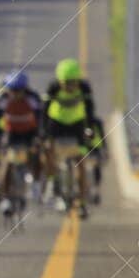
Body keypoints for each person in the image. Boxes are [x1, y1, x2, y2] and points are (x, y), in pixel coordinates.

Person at [45, 57, 97, 216]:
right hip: (57, 122)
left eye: (72, 83)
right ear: (59, 81)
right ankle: (52, 181)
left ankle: (81, 201)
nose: (69, 87)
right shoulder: (53, 88)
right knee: (48, 149)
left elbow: (90, 111)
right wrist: (43, 134)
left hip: (76, 124)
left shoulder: (84, 88)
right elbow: (43, 111)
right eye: (65, 83)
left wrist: (90, 129)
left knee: (81, 161)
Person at [0, 70, 45, 213]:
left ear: (24, 89)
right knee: (6, 160)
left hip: (29, 133)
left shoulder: (33, 99)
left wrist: (39, 137)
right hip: (11, 133)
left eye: (18, 91)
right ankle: (5, 195)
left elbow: (41, 120)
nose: (15, 94)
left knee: (37, 154)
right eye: (12, 90)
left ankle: (36, 186)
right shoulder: (2, 99)